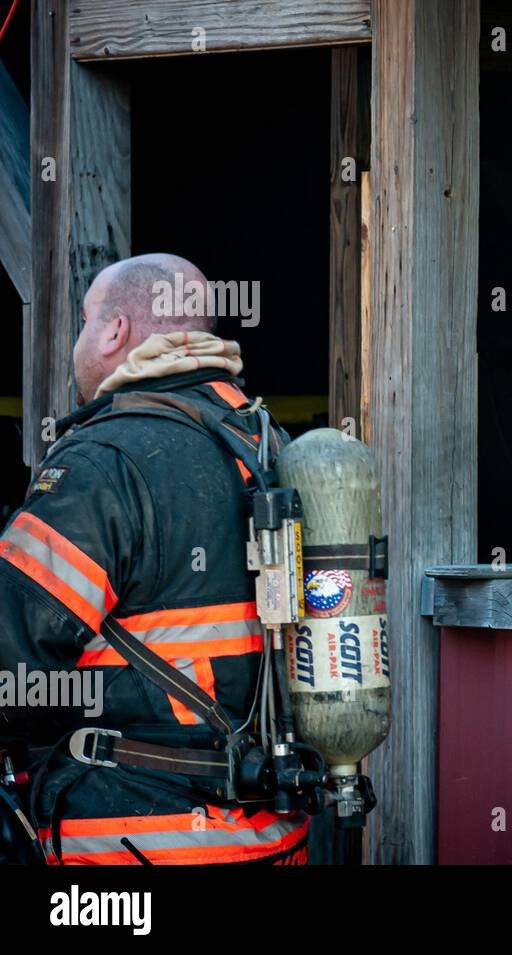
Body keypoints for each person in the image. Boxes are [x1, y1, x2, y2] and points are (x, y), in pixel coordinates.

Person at [0, 253, 310, 864]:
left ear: (114, 331)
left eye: (86, 322)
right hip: (274, 839)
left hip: (131, 848)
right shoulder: (272, 447)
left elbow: (11, 664)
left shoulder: (101, 463)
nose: (80, 342)